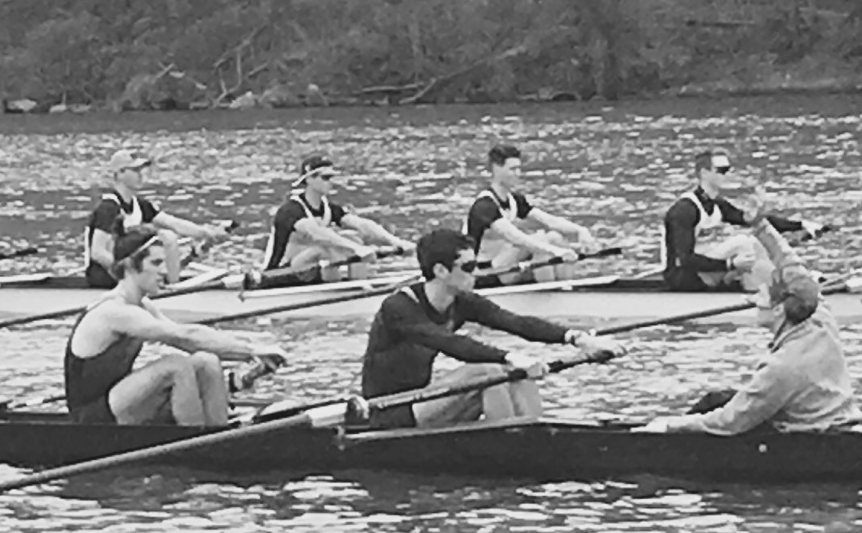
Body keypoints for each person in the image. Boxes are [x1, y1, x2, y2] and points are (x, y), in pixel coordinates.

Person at [359, 227, 602, 428]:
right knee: (486, 370)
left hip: (423, 403)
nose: (475, 272)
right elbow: (448, 342)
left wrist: (577, 338)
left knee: (514, 373)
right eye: (467, 267)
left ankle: (531, 429)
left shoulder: (461, 300)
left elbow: (515, 322)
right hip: (387, 412)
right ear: (440, 271)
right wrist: (509, 356)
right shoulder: (398, 307)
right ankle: (511, 439)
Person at [644, 218, 856, 434]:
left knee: (715, 415)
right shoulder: (819, 316)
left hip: (808, 441)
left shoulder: (781, 367)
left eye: (761, 294)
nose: (753, 299)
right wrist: (760, 225)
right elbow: (790, 262)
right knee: (716, 400)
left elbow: (730, 422)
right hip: (834, 418)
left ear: (778, 310)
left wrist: (671, 425)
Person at [64, 226, 288, 426]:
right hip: (91, 417)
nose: (164, 271)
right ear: (130, 266)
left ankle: (218, 433)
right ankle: (195, 441)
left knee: (205, 361)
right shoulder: (113, 311)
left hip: (121, 401)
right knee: (175, 366)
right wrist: (251, 350)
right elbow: (185, 334)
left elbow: (186, 341)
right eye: (156, 263)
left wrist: (248, 357)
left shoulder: (144, 306)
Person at [660, 148, 810, 292]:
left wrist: (801, 225)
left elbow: (751, 220)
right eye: (722, 170)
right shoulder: (684, 211)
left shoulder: (717, 204)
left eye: (728, 169)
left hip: (703, 270)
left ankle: (781, 283)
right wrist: (729, 264)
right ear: (704, 173)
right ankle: (763, 294)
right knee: (743, 242)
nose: (728, 174)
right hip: (682, 278)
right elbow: (685, 259)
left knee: (757, 242)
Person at [84, 152, 217, 286]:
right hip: (104, 277)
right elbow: (97, 252)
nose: (141, 175)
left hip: (127, 276)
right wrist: (128, 272)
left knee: (167, 236)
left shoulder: (141, 206)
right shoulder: (108, 208)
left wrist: (206, 232)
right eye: (135, 170)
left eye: (141, 170)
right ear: (120, 174)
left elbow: (174, 223)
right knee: (164, 236)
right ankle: (172, 288)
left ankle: (173, 286)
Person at [264, 154, 403, 279]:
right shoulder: (290, 210)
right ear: (309, 180)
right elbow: (317, 233)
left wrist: (396, 242)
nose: (331, 181)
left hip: (308, 270)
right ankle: (344, 292)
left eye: (332, 177)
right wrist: (355, 249)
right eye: (325, 177)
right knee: (325, 247)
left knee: (352, 237)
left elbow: (362, 224)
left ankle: (358, 285)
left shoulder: (328, 208)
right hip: (278, 274)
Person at [465, 143, 591, 272]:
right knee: (540, 239)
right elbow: (516, 238)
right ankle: (552, 287)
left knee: (554, 237)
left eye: (519, 168)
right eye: (512, 169)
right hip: (482, 272)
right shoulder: (484, 206)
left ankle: (565, 287)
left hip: (504, 266)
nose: (518, 174)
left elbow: (549, 221)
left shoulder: (515, 200)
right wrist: (557, 251)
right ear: (496, 169)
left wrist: (580, 230)